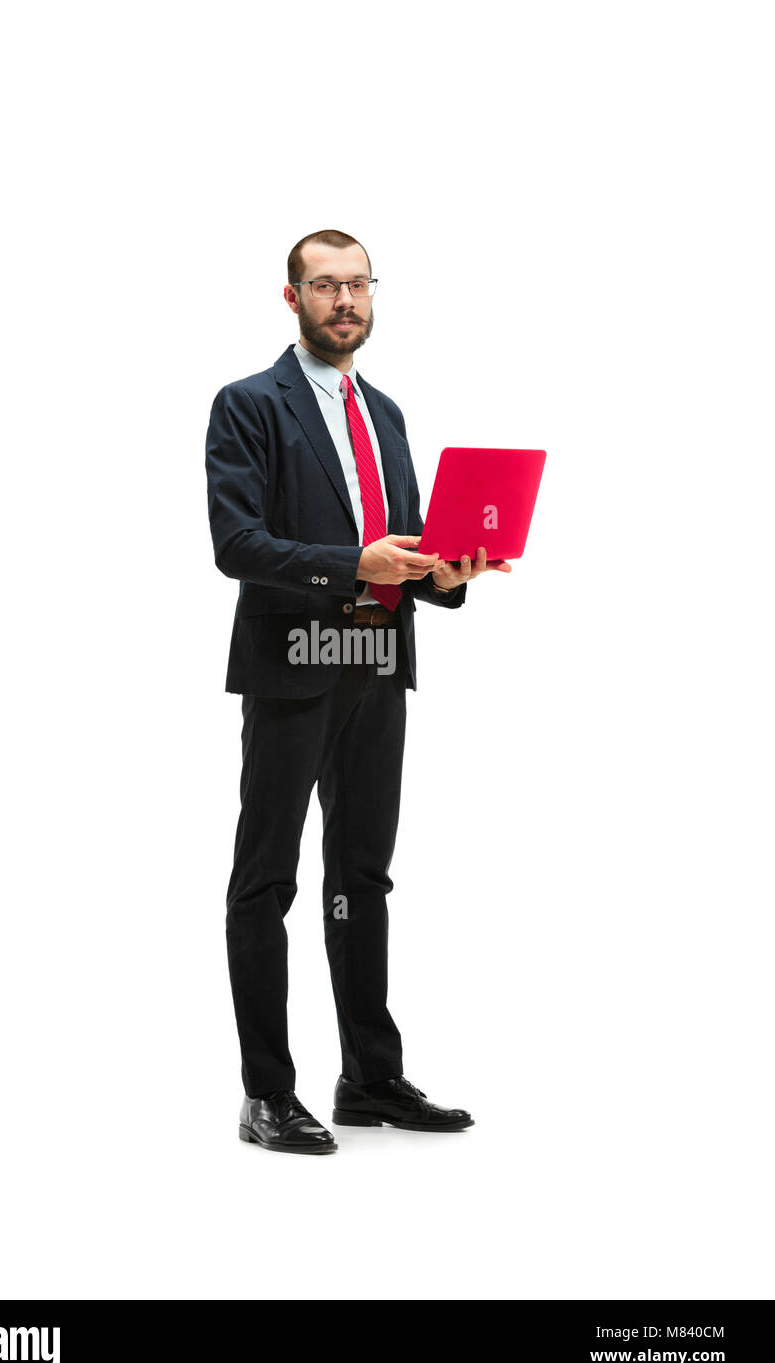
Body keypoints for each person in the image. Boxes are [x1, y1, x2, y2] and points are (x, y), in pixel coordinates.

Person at [204, 229, 510, 1155]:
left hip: (378, 661)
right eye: (325, 286)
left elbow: (405, 548)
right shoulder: (248, 404)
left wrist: (446, 576)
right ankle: (267, 1094)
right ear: (291, 298)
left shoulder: (388, 413)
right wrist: (353, 564)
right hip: (293, 660)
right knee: (267, 880)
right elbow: (237, 544)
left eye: (358, 285)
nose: (346, 301)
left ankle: (369, 1077)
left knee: (364, 876)